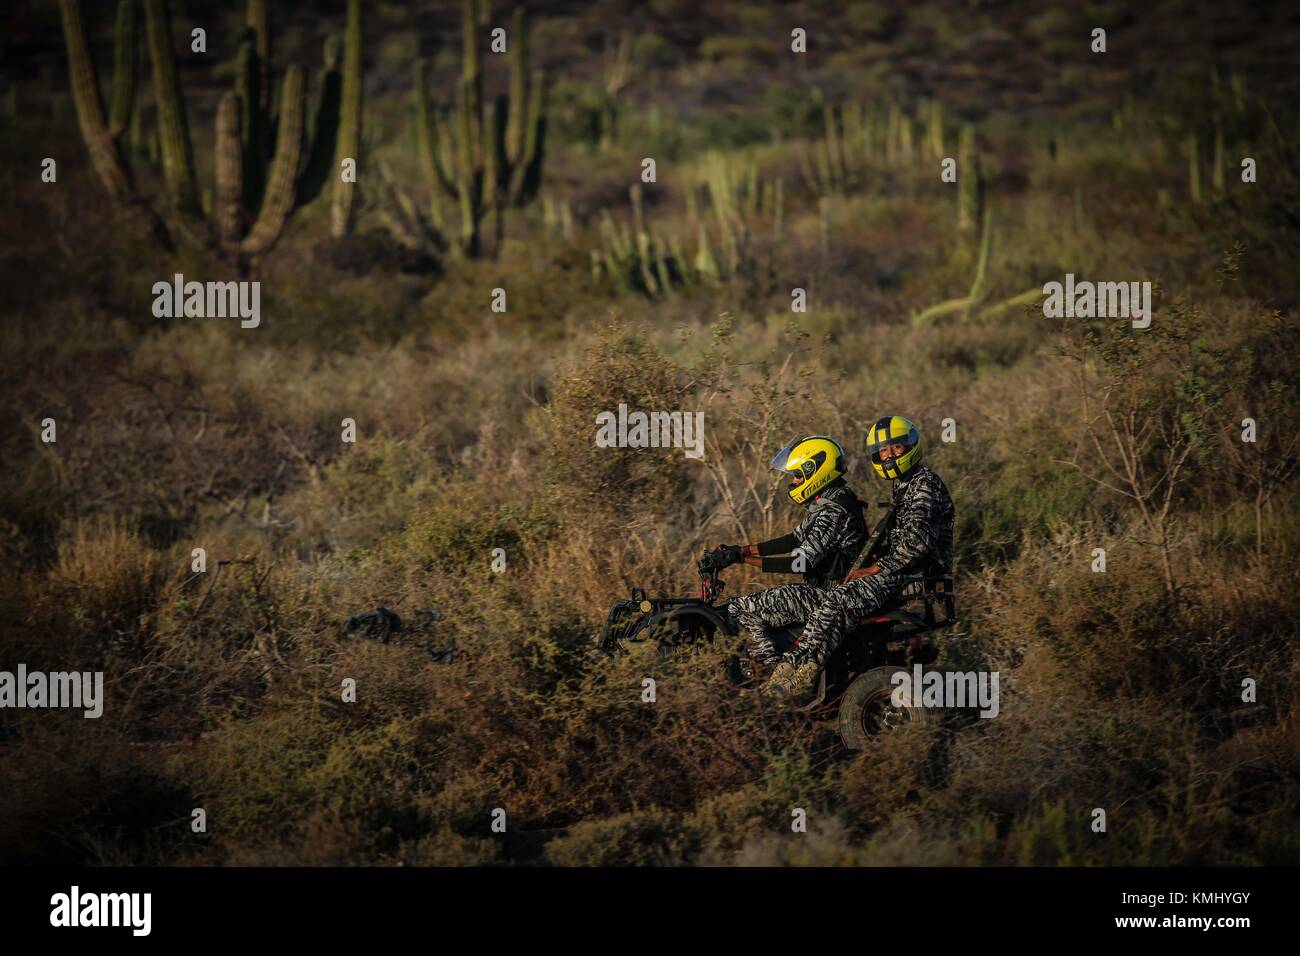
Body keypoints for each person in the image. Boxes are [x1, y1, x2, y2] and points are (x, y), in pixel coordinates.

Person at [762, 415, 955, 701]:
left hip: (912, 574)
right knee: (834, 594)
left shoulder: (923, 484)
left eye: (896, 448)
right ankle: (815, 672)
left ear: (910, 446)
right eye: (883, 451)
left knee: (837, 601)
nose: (889, 456)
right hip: (902, 570)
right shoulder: (906, 483)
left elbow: (916, 543)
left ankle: (799, 674)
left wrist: (876, 568)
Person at [702, 436, 867, 675]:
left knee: (738, 609)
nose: (794, 481)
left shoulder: (833, 511)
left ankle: (771, 672)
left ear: (816, 471)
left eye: (798, 475)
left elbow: (799, 563)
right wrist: (743, 550)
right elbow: (795, 539)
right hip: (828, 590)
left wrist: (742, 560)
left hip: (827, 596)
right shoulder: (832, 499)